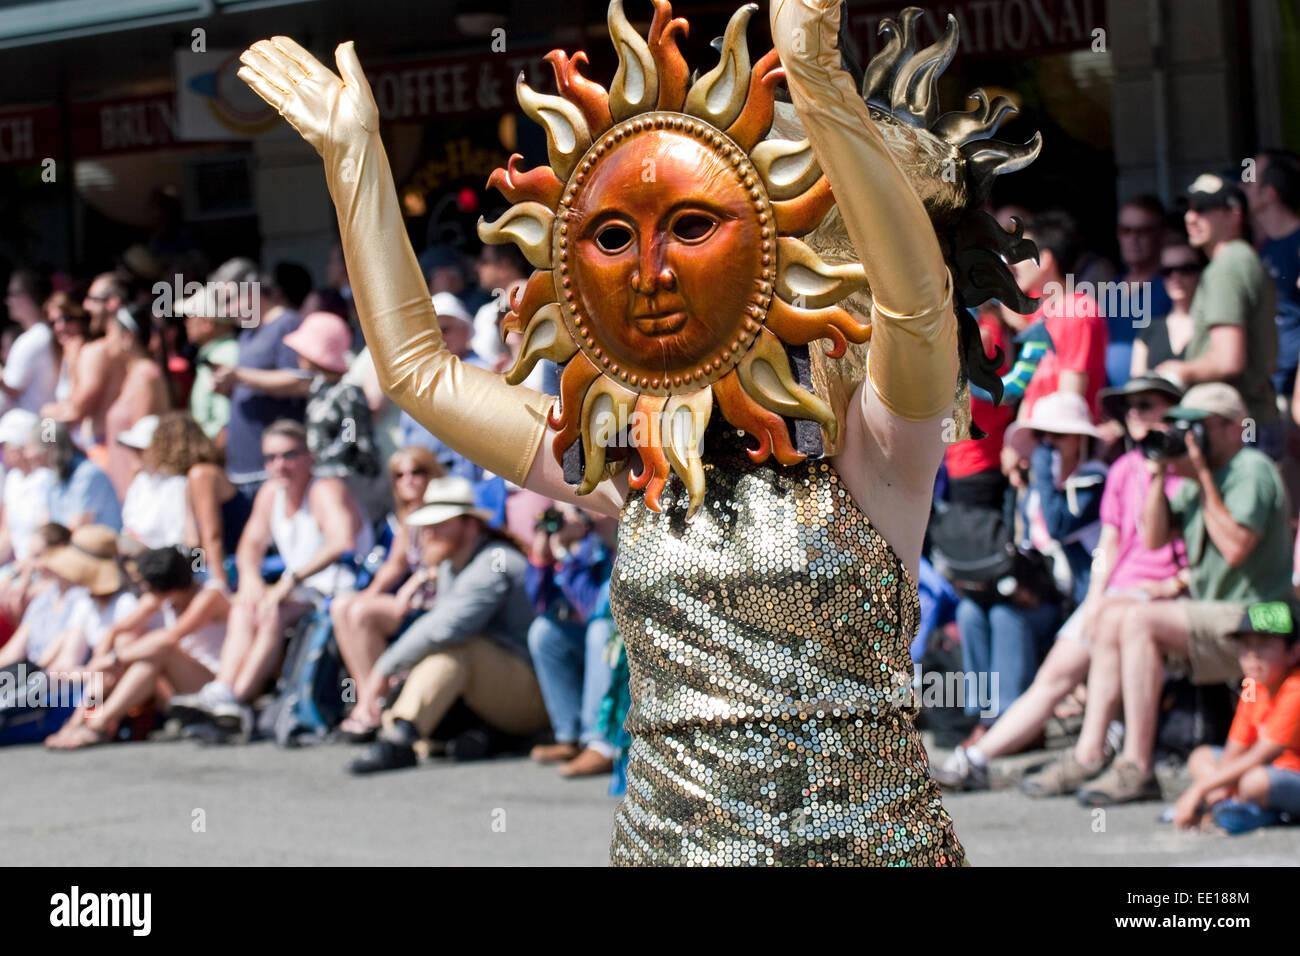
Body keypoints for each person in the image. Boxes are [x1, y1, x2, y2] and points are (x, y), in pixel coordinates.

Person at [238, 0, 1044, 863]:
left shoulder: (885, 457)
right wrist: (354, 159)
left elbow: (913, 308)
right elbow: (421, 376)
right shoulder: (643, 465)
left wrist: (816, 79)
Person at [1029, 384, 1293, 805]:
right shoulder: (1190, 475)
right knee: (1116, 614)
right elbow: (1154, 539)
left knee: (1138, 619)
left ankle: (1137, 764)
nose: (1188, 437)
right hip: (1218, 613)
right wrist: (1158, 475)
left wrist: (1203, 478)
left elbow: (1236, 548)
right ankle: (1091, 751)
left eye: (1197, 427)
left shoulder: (1251, 469)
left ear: (1228, 427)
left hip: (1262, 617)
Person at [936, 375, 1186, 790]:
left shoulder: (1108, 476)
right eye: (1131, 406)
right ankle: (974, 755)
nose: (1136, 413)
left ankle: (1102, 751)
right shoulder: (1123, 469)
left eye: (1147, 405)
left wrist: (1042, 474)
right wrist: (1099, 600)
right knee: (1018, 642)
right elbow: (1108, 543)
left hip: (1151, 595)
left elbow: (1058, 525)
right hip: (1108, 593)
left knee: (1017, 620)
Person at [168, 419, 372, 732]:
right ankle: (225, 692)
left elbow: (341, 541)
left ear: (308, 456)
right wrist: (250, 578)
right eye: (270, 458)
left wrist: (291, 580)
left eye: (288, 455)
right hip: (301, 590)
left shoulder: (326, 489)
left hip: (340, 589)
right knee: (245, 605)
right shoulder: (270, 493)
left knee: (271, 612)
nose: (279, 465)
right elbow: (251, 543)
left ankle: (235, 699)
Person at [346, 477, 547, 774]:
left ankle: (400, 740)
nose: (428, 533)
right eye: (426, 525)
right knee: (442, 656)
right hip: (490, 690)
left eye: (440, 524)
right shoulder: (451, 564)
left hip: (533, 696)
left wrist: (382, 670)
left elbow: (447, 627)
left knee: (457, 649)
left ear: (470, 525)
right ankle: (448, 735)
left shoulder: (495, 562)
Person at [955, 391, 1105, 739]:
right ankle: (983, 714)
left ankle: (1008, 719)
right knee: (971, 612)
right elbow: (1020, 547)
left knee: (1008, 618)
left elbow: (1058, 526)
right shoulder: (1034, 490)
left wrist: (1040, 470)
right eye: (1042, 437)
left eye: (1059, 436)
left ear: (1080, 439)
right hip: (1036, 588)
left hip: (1074, 602)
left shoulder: (1095, 482)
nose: (1049, 444)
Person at [44, 545, 231, 750]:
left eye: (148, 588)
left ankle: (98, 725)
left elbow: (169, 638)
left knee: (156, 650)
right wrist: (102, 658)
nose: (144, 592)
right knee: (126, 641)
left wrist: (114, 658)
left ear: (168, 589)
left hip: (210, 683)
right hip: (174, 687)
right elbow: (117, 629)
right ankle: (79, 721)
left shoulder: (209, 596)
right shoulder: (163, 596)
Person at [1155, 173, 1279, 457]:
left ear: (1234, 214)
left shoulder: (1227, 267)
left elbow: (1228, 360)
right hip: (1255, 420)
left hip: (1235, 427)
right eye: (1188, 209)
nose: (1191, 217)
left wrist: (1177, 371)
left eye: (1203, 209)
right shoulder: (1244, 259)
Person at [331, 446, 444, 738]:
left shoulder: (445, 510)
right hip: (416, 601)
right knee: (343, 606)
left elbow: (443, 563)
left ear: (432, 474)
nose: (408, 480)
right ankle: (370, 700)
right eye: (399, 475)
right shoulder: (408, 516)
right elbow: (394, 564)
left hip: (439, 604)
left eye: (416, 472)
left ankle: (373, 704)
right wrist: (370, 592)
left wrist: (412, 583)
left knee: (361, 613)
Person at [1171, 600, 1300, 832]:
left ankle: (1252, 812)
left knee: (1254, 781)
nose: (1252, 655)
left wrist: (1199, 790)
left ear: (1293, 652)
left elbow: (1261, 755)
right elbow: (1236, 746)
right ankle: (1229, 807)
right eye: (1245, 645)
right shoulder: (1252, 685)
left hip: (1286, 775)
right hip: (1259, 770)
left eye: (1264, 645)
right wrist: (1218, 787)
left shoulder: (1296, 688)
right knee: (1201, 757)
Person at [526, 502, 617, 777]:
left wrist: (566, 557)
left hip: (634, 643)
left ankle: (600, 743)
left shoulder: (622, 538)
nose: (568, 515)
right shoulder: (589, 544)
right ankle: (569, 735)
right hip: (598, 638)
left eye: (576, 506)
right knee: (545, 633)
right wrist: (544, 555)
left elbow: (595, 609)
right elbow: (541, 603)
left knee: (601, 630)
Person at [209, 258, 307, 498]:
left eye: (230, 300)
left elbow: (300, 382)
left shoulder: (288, 324)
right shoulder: (247, 335)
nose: (227, 311)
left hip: (276, 468)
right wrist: (228, 386)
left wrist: (239, 375)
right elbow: (255, 384)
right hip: (243, 468)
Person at [282, 310, 380, 506]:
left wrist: (324, 463)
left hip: (348, 484)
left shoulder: (348, 392)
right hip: (320, 479)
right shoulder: (318, 387)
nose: (298, 354)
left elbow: (352, 435)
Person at [395, 292, 489, 481]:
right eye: (431, 330)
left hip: (467, 483)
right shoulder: (416, 376)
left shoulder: (484, 372)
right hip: (420, 480)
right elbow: (407, 436)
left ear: (465, 330)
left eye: (445, 329)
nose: (438, 336)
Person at [1243, 150, 1300, 401]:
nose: (1241, 187)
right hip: (1267, 388)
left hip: (1293, 390)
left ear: (1269, 193)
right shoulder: (1260, 248)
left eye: (1249, 181)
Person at [101, 303, 171, 498]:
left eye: (110, 333)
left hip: (136, 489)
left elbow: (140, 444)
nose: (106, 341)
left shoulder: (144, 376)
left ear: (127, 337)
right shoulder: (135, 375)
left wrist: (132, 497)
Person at [1112, 195, 1172, 387]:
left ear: (1161, 235)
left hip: (1153, 400)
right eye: (1126, 230)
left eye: (1143, 231)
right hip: (1108, 404)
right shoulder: (1108, 290)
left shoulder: (1174, 287)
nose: (1133, 239)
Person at [1131, 240, 1203, 378]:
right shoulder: (1148, 331)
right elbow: (1136, 384)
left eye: (1186, 269)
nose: (1176, 277)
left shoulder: (1212, 326)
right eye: (1167, 271)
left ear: (1200, 272)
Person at [180, 284, 241, 444]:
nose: (186, 322)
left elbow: (225, 421)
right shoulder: (217, 352)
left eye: (191, 316)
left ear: (208, 323)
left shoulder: (226, 354)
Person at [34, 422, 122, 532]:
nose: (29, 454)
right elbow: (45, 524)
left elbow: (76, 529)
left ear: (51, 449)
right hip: (66, 545)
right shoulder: (52, 476)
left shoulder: (88, 474)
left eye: (34, 447)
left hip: (96, 546)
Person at [0, 409, 53, 565]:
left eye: (4, 446)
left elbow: (45, 537)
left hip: (39, 566)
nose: (2, 452)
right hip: (19, 567)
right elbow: (7, 534)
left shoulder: (47, 478)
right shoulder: (13, 479)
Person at [1, 269, 58, 415]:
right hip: (41, 426)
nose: (7, 301)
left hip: (27, 429)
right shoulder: (44, 334)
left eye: (11, 295)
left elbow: (12, 389)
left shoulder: (32, 339)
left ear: (24, 298)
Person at [471, 243, 529, 367]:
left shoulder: (534, 294)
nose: (477, 267)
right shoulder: (487, 311)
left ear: (504, 266)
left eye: (484, 261)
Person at [43, 291, 91, 406]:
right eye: (53, 322)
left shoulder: (90, 352)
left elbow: (77, 402)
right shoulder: (62, 352)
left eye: (67, 318)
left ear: (80, 318)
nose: (60, 327)